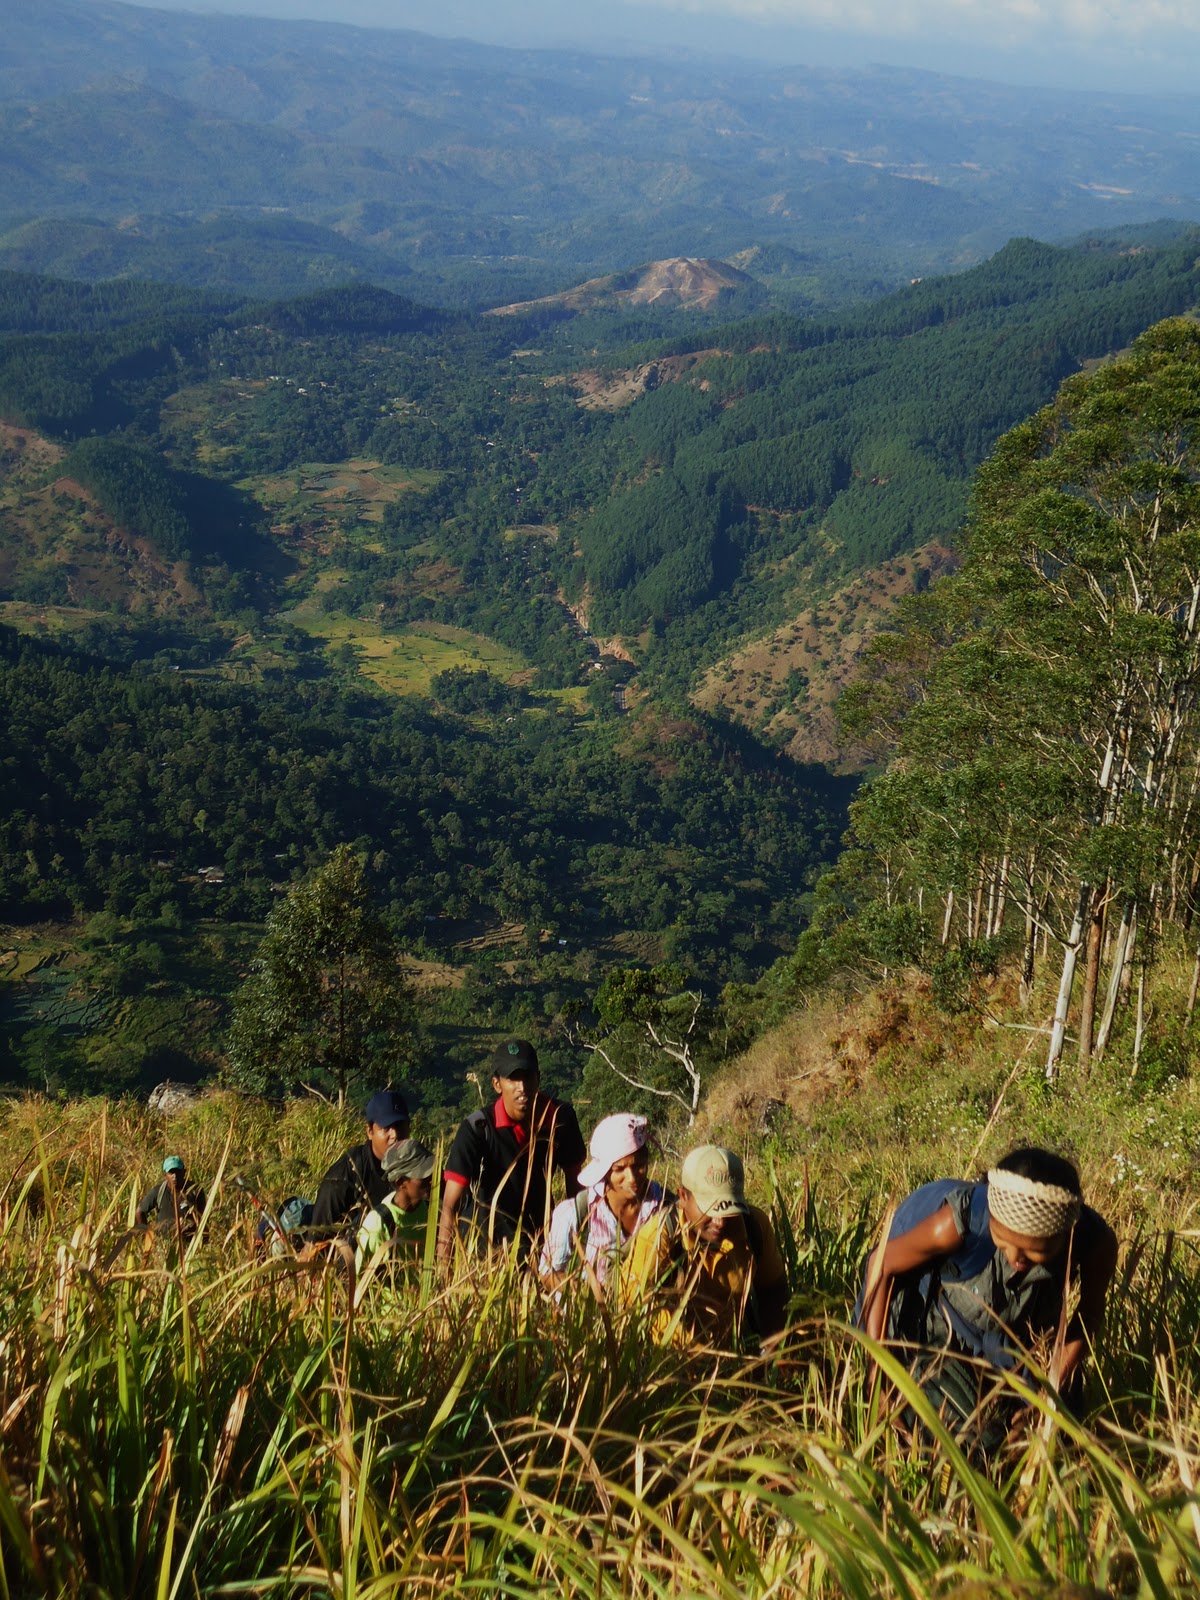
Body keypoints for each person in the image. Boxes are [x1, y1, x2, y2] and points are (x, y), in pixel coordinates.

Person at [857, 1146, 1118, 1432]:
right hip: (941, 1326)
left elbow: (1087, 1316)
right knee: (973, 1440)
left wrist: (1047, 1396)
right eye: (1003, 1241)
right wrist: (878, 1372)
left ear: (1064, 1235)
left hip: (1022, 1334)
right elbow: (879, 1266)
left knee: (1059, 1436)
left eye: (1033, 1253)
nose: (1015, 1259)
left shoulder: (1094, 1243)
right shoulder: (961, 1224)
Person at [624, 1143, 788, 1351]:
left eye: (729, 1208)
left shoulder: (754, 1226)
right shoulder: (657, 1237)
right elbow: (634, 1308)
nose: (720, 1222)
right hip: (672, 1361)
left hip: (737, 1355)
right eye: (710, 1208)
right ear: (683, 1196)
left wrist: (773, 1352)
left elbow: (774, 1289)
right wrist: (696, 1355)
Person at [438, 1039, 585, 1262]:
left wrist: (580, 1247)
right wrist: (442, 1270)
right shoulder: (478, 1129)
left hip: (542, 1244)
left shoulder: (560, 1118)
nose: (522, 1087)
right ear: (496, 1084)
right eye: (512, 1078)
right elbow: (450, 1204)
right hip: (487, 1250)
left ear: (538, 1078)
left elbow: (575, 1185)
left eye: (527, 1076)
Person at [539, 1112, 666, 1293]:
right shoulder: (577, 1213)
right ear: (605, 1172)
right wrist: (584, 1293)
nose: (631, 1178)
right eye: (619, 1169)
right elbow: (547, 1272)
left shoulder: (662, 1205)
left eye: (639, 1165)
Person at [309, 1089, 411, 1239]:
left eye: (399, 1126)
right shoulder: (345, 1174)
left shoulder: (420, 1167)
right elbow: (316, 1240)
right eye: (386, 1128)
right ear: (370, 1131)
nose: (395, 1135)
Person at [355, 1138, 436, 1273]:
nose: (432, 1179)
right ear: (400, 1182)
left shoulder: (430, 1209)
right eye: (423, 1175)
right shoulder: (378, 1224)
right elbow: (360, 1279)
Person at [136, 1155, 207, 1239]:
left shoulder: (195, 1190)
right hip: (164, 1243)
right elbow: (139, 1211)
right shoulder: (158, 1192)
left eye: (178, 1172)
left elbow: (203, 1216)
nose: (175, 1176)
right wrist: (146, 1235)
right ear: (165, 1175)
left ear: (184, 1172)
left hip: (189, 1243)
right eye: (171, 1173)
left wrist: (204, 1237)